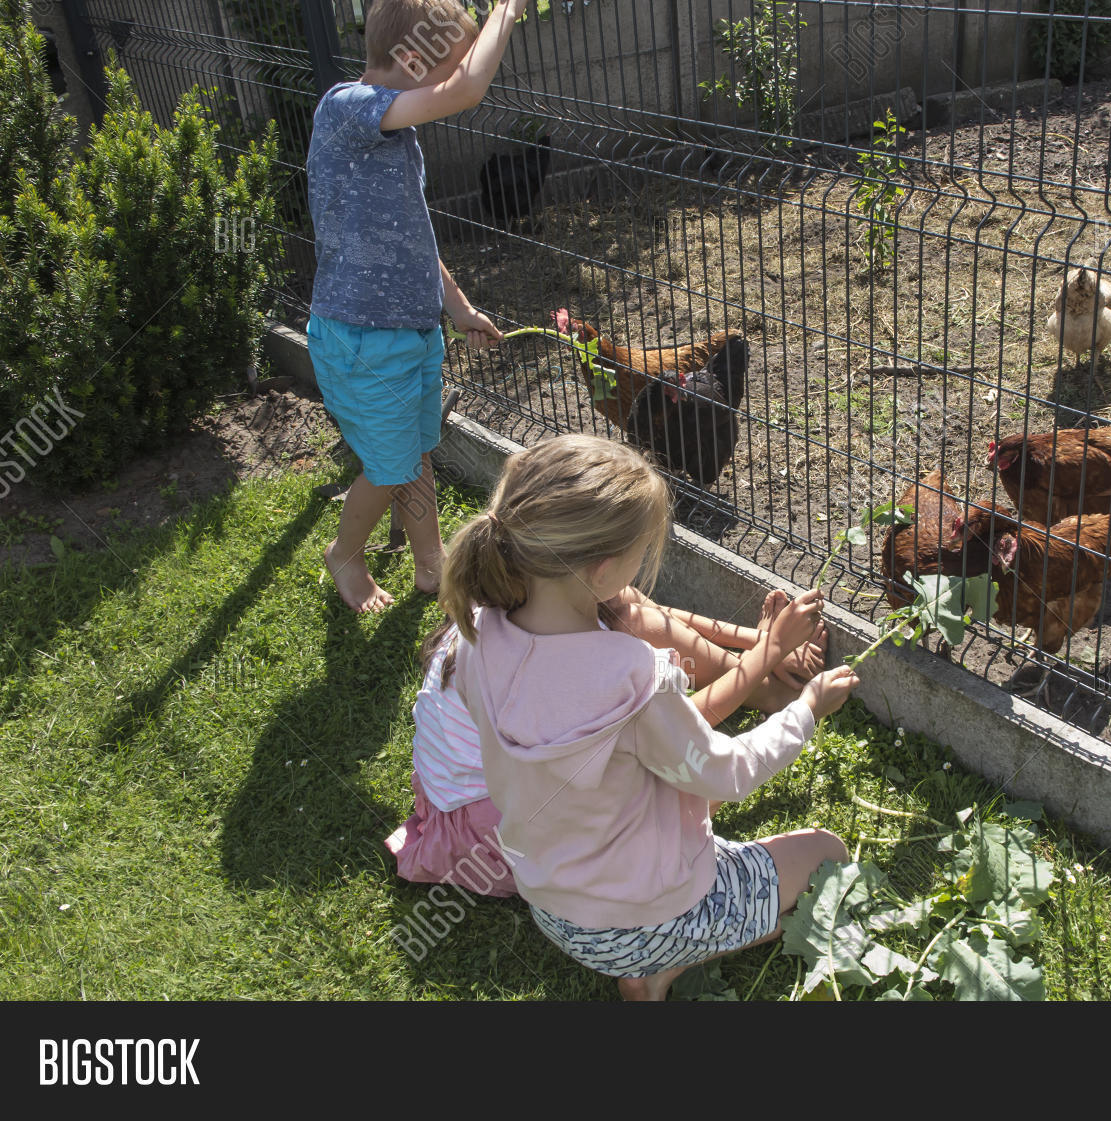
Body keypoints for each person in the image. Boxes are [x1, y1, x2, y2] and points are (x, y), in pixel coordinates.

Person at [441, 433, 858, 1000]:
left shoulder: (476, 638)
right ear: (603, 571)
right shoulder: (633, 675)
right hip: (647, 922)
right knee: (828, 855)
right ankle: (661, 967)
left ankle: (651, 961)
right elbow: (727, 773)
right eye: (643, 551)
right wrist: (807, 709)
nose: (645, 563)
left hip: (552, 906)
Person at [305, 0, 530, 612]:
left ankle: (430, 565)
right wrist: (506, 12)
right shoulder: (347, 108)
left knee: (413, 456)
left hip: (412, 334)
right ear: (409, 58)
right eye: (446, 65)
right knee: (388, 467)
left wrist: (457, 308)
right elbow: (467, 91)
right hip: (359, 339)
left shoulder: (396, 139)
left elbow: (415, 240)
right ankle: (343, 554)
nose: (451, 81)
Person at [385, 587, 828, 896]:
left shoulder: (518, 600)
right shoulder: (567, 669)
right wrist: (769, 652)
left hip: (464, 796)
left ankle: (758, 674)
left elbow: (634, 608)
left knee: (631, 615)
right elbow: (674, 741)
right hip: (505, 835)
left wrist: (758, 641)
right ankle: (767, 685)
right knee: (664, 775)